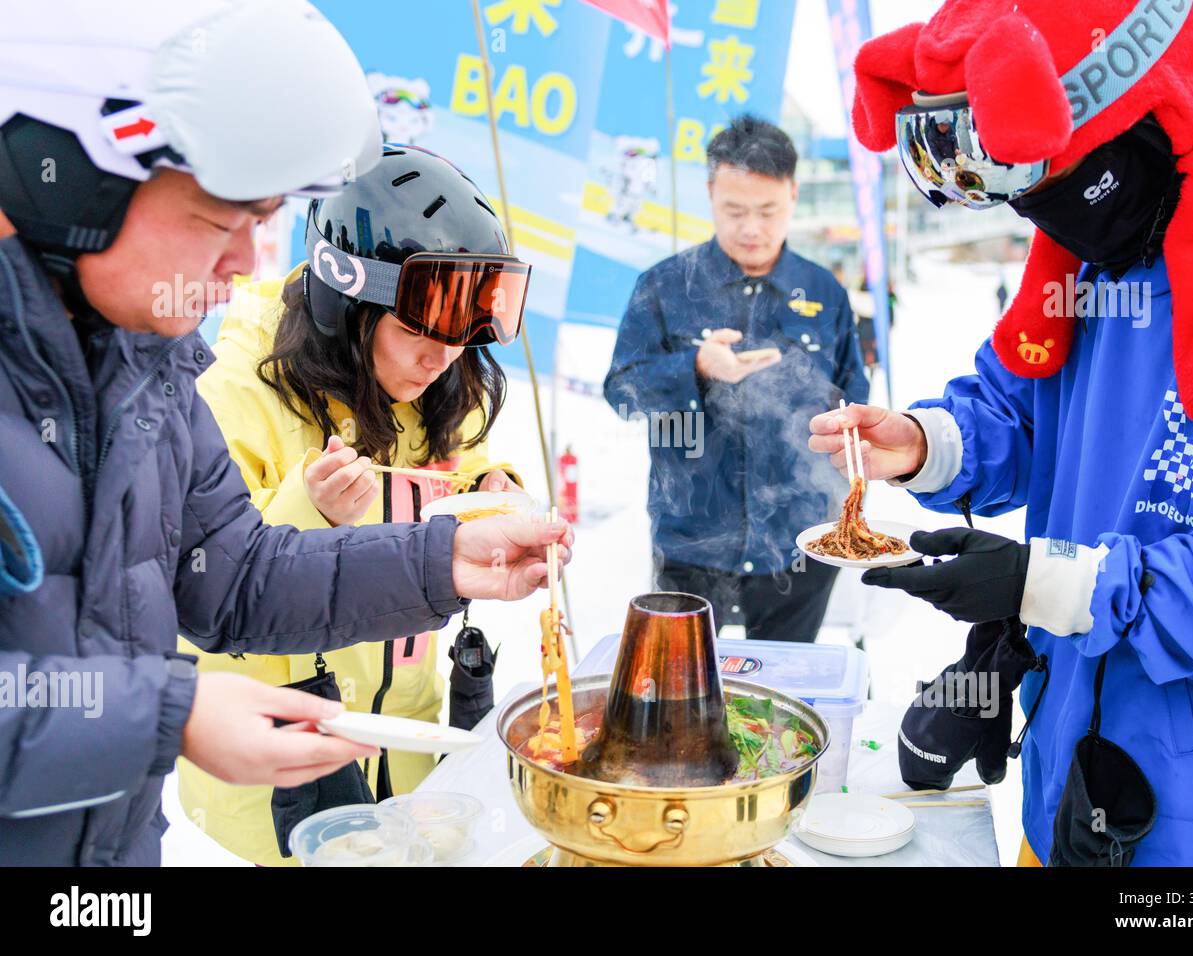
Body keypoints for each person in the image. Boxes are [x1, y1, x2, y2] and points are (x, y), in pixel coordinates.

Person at [0, 1, 571, 866]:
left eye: (260, 222)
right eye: (214, 219)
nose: (242, 262)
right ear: (70, 185)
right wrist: (173, 714)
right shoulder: (204, 374)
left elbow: (236, 577)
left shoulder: (143, 376)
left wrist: (444, 560)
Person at [811, 0, 1193, 865]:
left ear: (1129, 126)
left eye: (1038, 172)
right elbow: (1020, 404)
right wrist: (925, 443)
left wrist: (1051, 584)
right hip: (1061, 780)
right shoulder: (1094, 249)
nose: (1034, 209)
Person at [178, 145, 529, 865]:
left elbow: (463, 461)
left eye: (462, 341)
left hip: (409, 754)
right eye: (418, 334)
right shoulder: (233, 395)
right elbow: (195, 601)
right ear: (347, 307)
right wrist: (305, 512)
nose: (442, 360)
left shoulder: (430, 384)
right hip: (277, 781)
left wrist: (493, 490)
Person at [606, 115, 869, 643]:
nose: (752, 228)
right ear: (709, 194)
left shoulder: (826, 293)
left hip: (800, 540)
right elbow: (623, 392)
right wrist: (696, 368)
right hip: (692, 540)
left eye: (768, 211)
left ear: (793, 194)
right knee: (680, 695)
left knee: (781, 701)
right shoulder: (663, 286)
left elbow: (854, 399)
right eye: (735, 211)